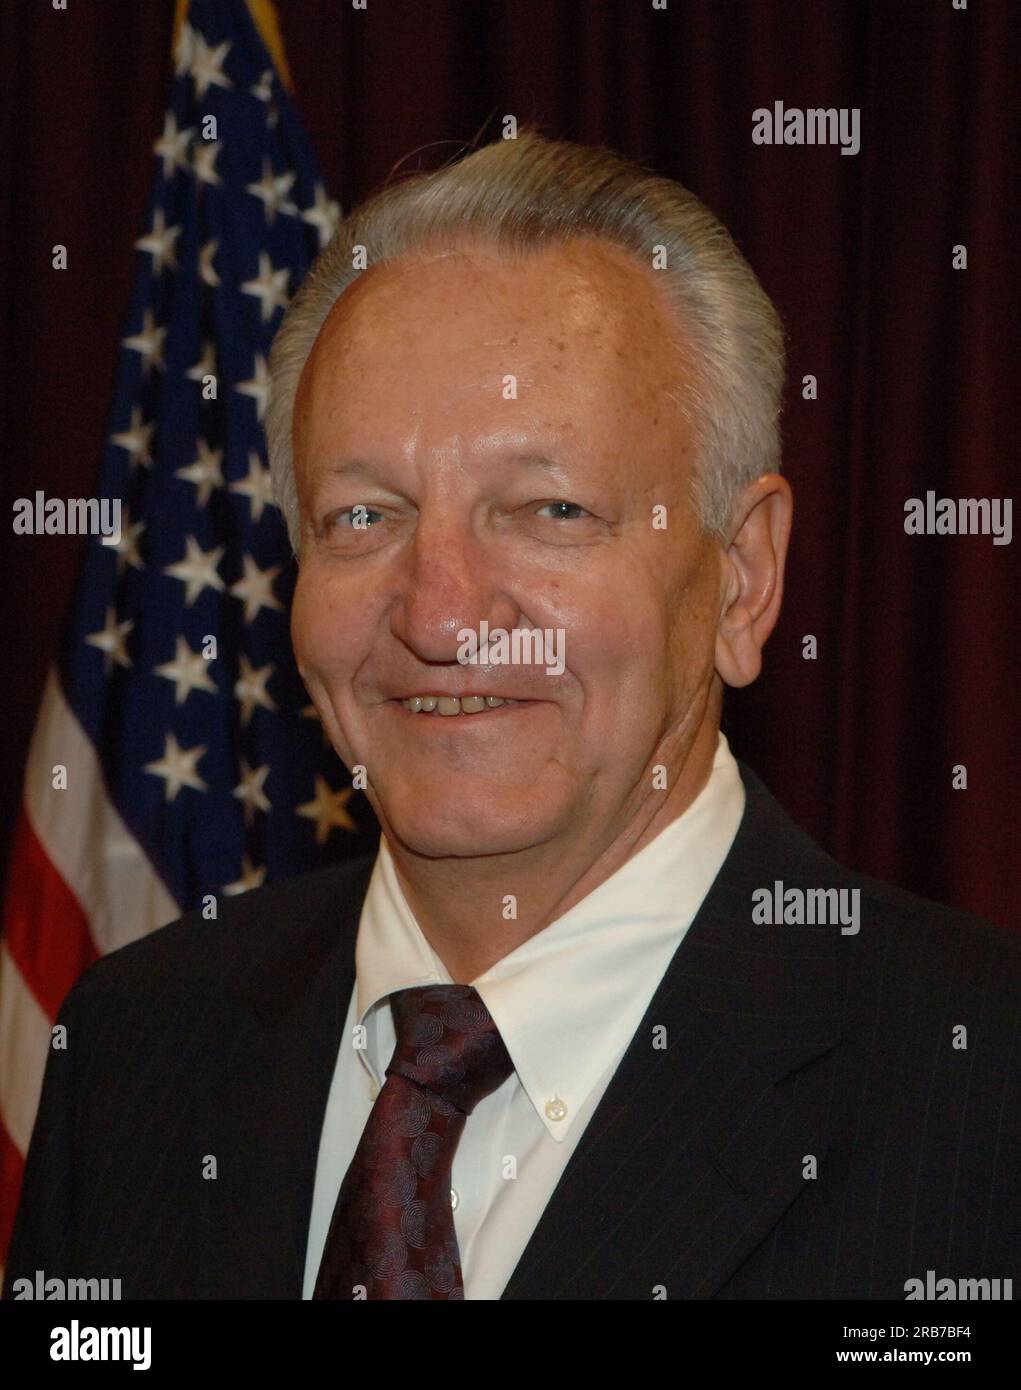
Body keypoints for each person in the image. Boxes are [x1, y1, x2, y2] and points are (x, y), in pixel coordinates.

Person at [5, 132, 1018, 1301]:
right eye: (364, 515)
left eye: (548, 510)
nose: (440, 615)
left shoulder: (979, 1091)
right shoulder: (133, 1049)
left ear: (741, 576)